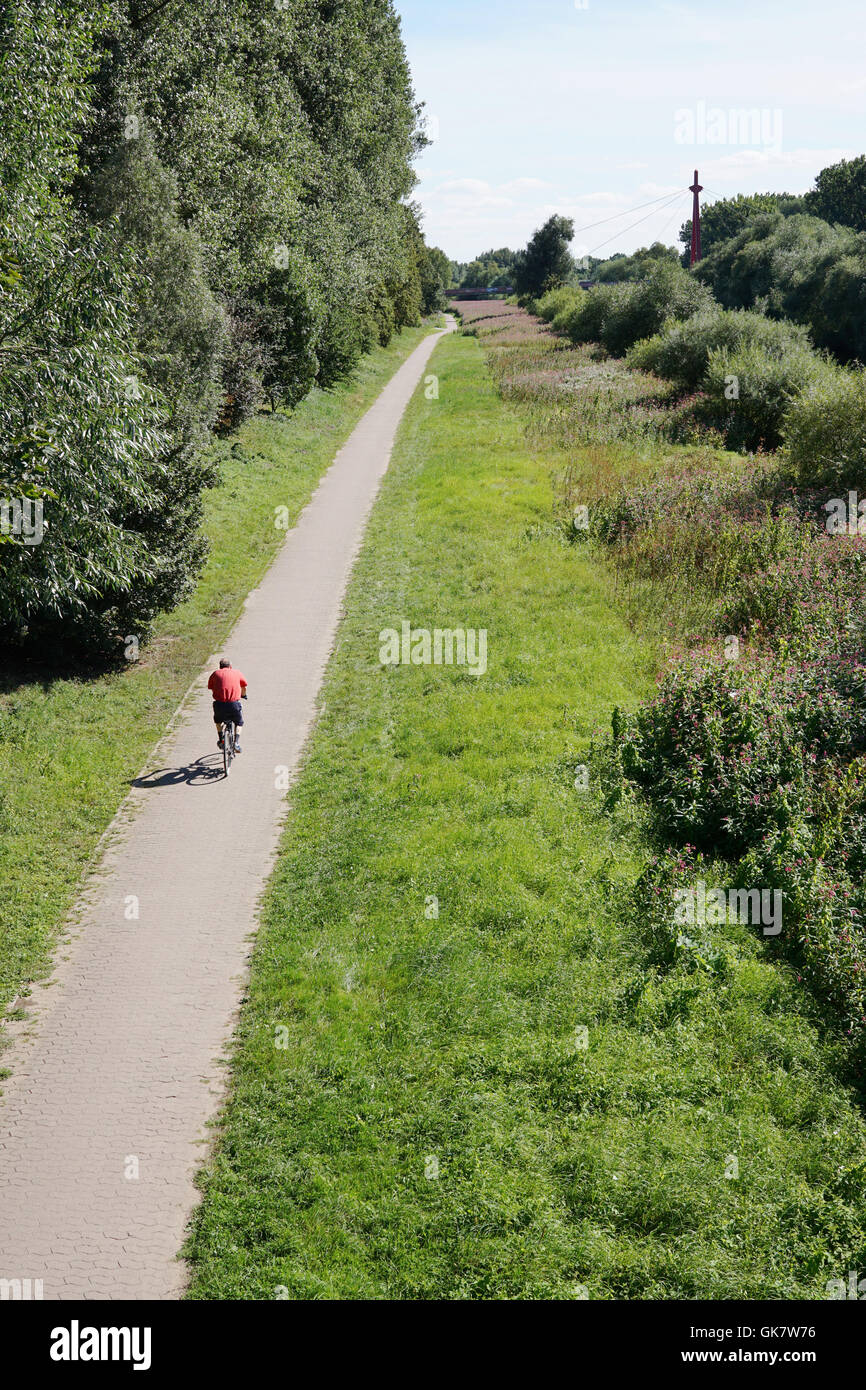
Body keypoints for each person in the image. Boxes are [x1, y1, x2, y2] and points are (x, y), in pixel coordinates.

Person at [207, 658, 248, 754]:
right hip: (233, 704)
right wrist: (243, 695)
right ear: (230, 666)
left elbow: (211, 687)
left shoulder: (215, 674)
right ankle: (236, 743)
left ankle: (221, 739)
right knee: (239, 722)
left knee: (218, 721)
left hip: (219, 704)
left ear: (220, 666)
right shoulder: (237, 673)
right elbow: (243, 687)